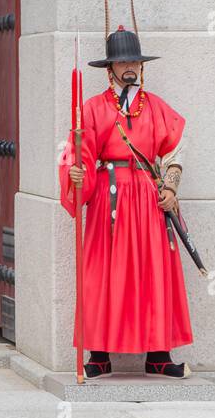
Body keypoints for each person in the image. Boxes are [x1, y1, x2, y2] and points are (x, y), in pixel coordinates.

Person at [61, 21, 193, 379]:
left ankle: (159, 354)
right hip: (110, 196)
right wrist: (76, 176)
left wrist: (170, 187)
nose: (129, 67)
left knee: (154, 273)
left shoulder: (157, 107)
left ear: (142, 66)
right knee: (103, 273)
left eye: (134, 62)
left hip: (149, 198)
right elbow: (81, 156)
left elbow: (175, 149)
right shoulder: (91, 109)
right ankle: (99, 354)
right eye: (121, 63)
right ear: (110, 69)